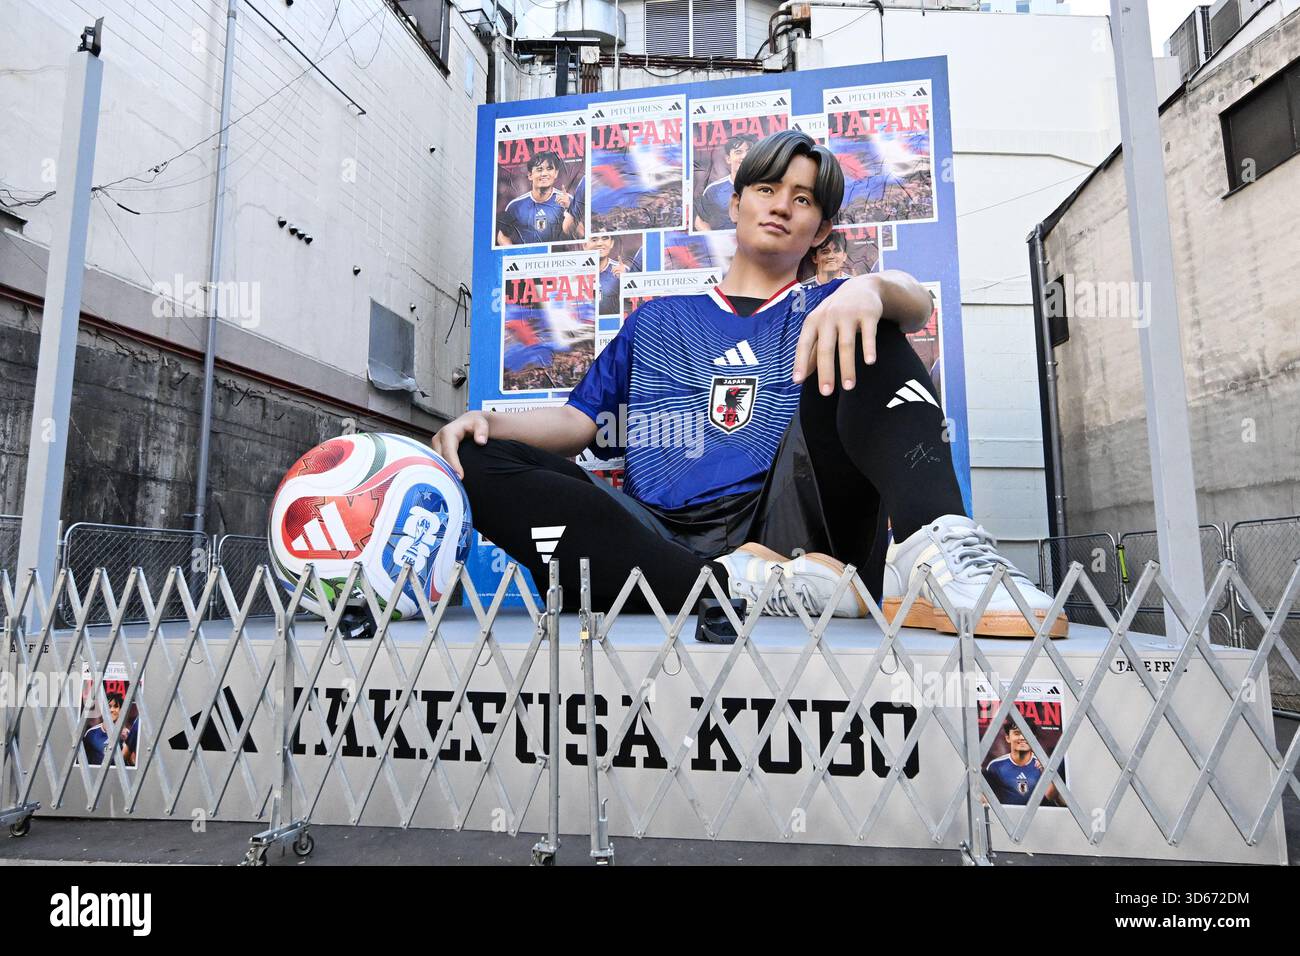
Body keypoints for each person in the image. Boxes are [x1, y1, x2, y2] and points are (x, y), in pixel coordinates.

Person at [437, 130, 1063, 636]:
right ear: (735, 203)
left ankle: (939, 553)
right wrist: (490, 423)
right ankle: (718, 587)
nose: (782, 206)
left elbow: (916, 307)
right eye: (767, 188)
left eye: (803, 199)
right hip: (659, 534)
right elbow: (577, 425)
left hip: (796, 531)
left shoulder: (823, 304)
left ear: (819, 231)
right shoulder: (658, 317)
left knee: (865, 326)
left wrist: (868, 287)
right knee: (478, 459)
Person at [982, 716, 1065, 806]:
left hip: (1041, 818)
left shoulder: (1046, 764)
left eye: (1027, 733)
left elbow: (1059, 802)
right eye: (1017, 733)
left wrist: (1046, 774)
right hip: (1007, 818)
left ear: (1034, 738)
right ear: (1008, 738)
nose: (1022, 737)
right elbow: (987, 802)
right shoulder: (995, 766)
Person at [496, 152, 575, 246]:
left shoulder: (568, 201)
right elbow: (502, 236)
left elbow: (579, 233)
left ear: (556, 173)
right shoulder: (515, 206)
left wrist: (570, 209)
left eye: (549, 169)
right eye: (539, 169)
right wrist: (516, 254)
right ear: (530, 175)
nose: (544, 174)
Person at [694, 134, 757, 232]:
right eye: (738, 152)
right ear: (728, 159)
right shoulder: (713, 190)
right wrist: (718, 240)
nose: (744, 156)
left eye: (749, 152)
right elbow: (700, 222)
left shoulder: (767, 187)